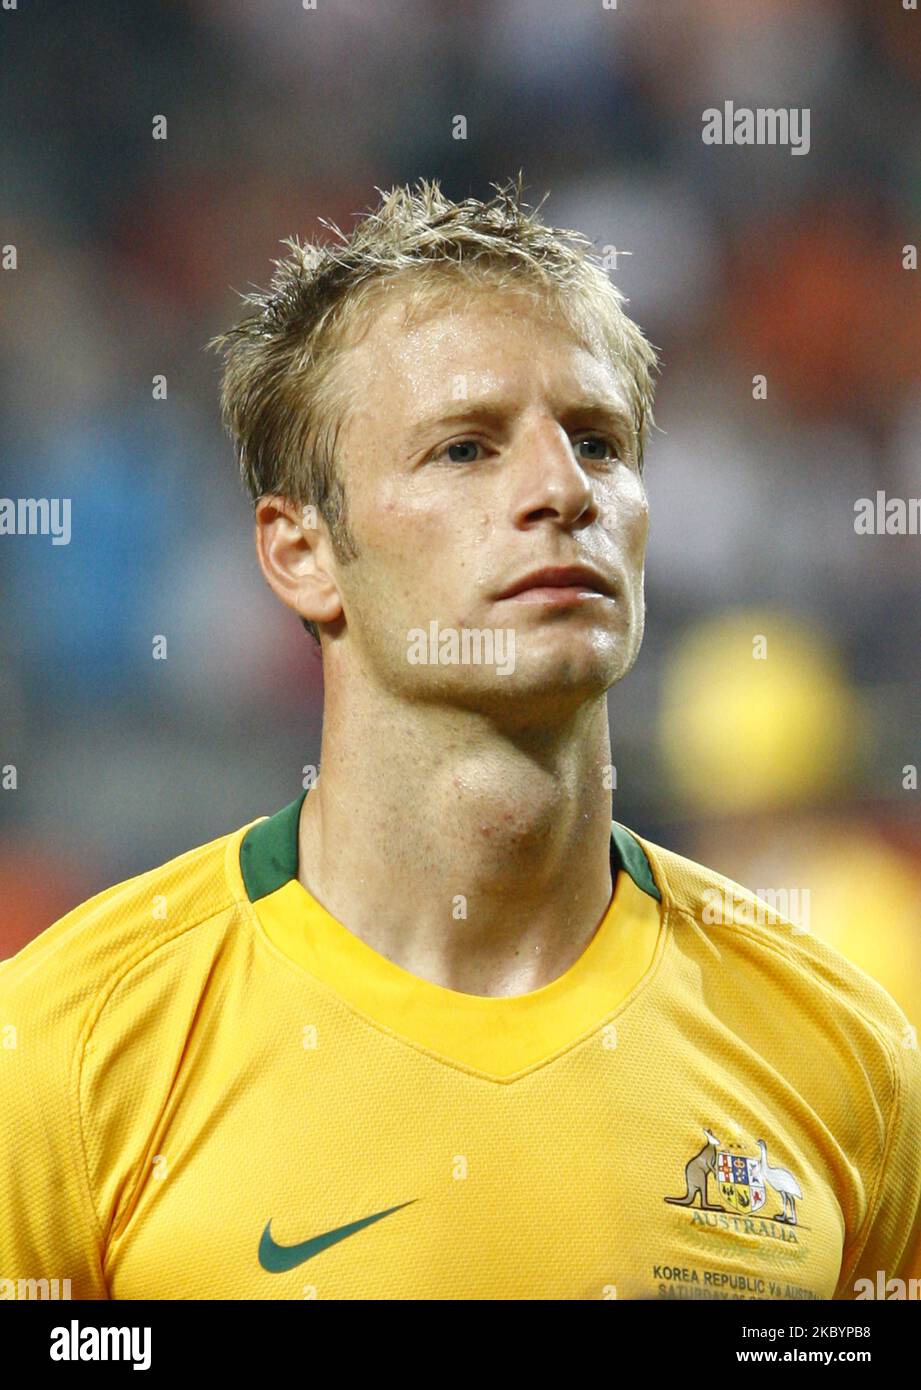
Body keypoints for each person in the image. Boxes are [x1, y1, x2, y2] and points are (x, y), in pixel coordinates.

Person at [1, 179, 918, 1301]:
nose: (560, 489)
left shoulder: (851, 1058)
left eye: (598, 441)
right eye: (466, 449)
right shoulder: (63, 1055)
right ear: (302, 553)